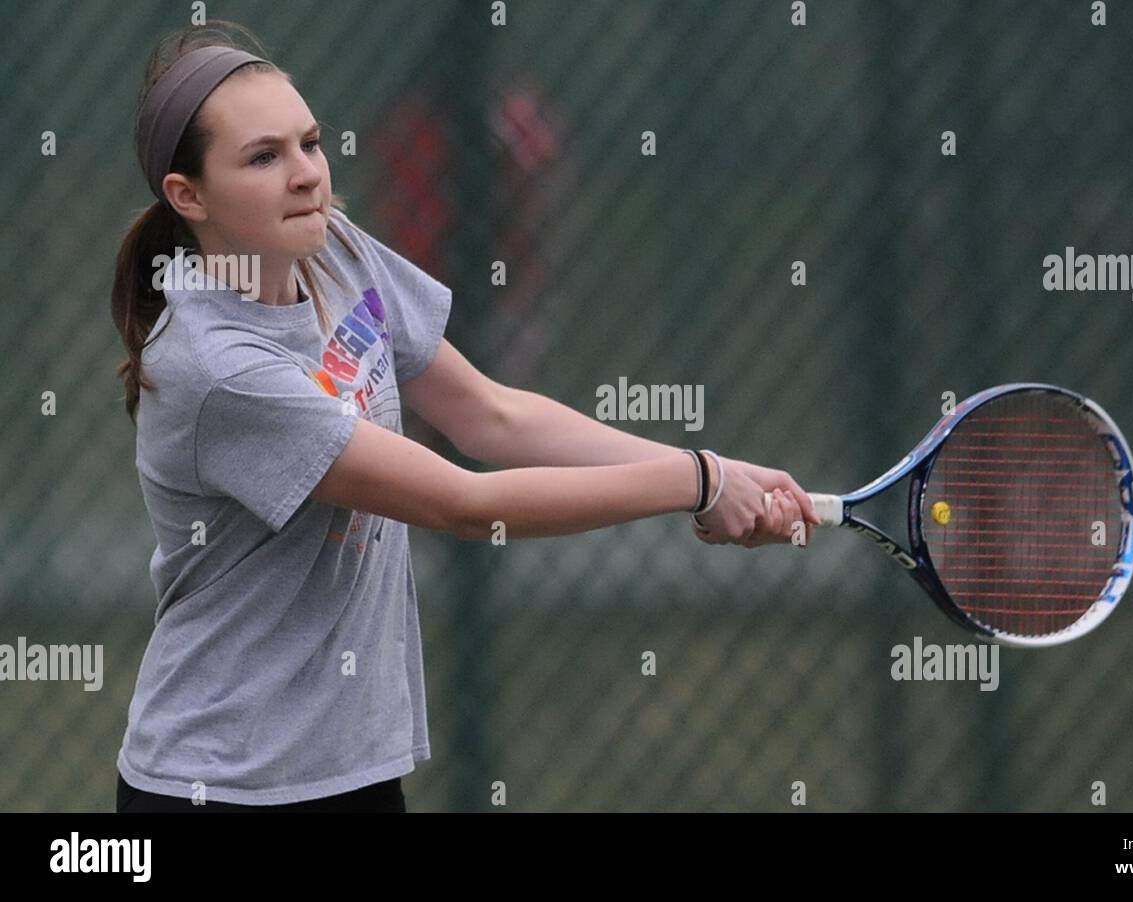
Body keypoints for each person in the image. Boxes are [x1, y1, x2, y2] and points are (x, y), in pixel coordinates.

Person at [110, 22, 818, 813]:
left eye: (310, 143)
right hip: (222, 787)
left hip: (353, 767)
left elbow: (491, 416)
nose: (307, 175)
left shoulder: (336, 251)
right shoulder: (218, 370)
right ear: (188, 195)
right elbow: (466, 504)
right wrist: (693, 483)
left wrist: (710, 468)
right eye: (264, 157)